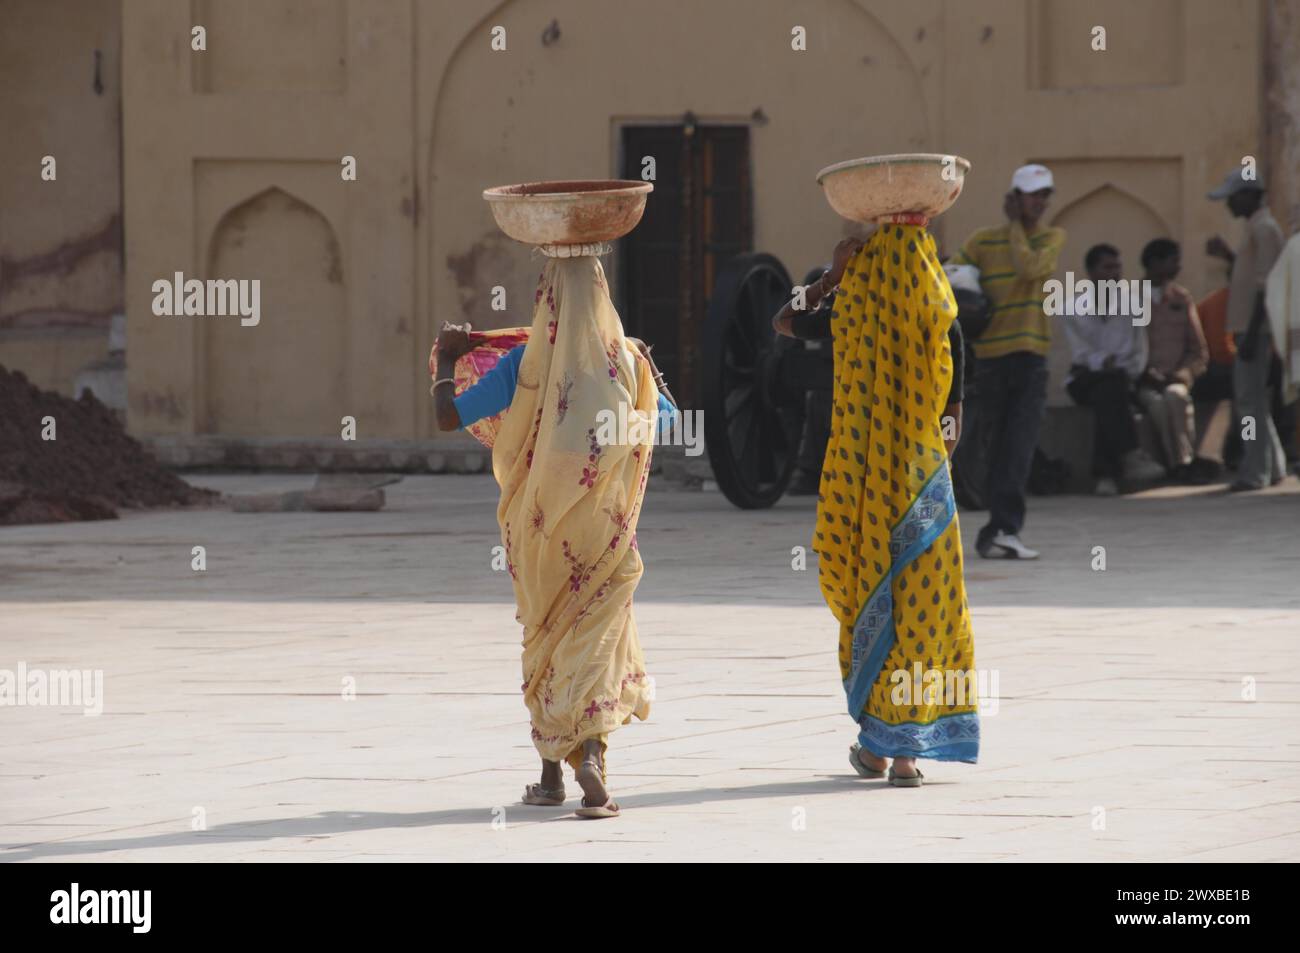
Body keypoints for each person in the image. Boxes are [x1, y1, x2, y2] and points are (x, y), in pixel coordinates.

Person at [432, 252, 675, 819]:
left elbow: (450, 416)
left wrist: (447, 360)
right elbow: (668, 422)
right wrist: (652, 377)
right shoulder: (628, 362)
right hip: (606, 530)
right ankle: (591, 756)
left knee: (544, 637)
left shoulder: (524, 363)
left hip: (538, 527)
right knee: (593, 638)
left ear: (546, 301)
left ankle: (549, 776)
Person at [810, 220, 980, 788]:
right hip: (924, 488)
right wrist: (933, 462)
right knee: (925, 612)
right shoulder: (941, 316)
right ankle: (903, 753)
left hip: (861, 489)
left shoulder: (853, 310)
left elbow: (786, 321)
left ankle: (879, 746)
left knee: (870, 597)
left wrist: (834, 275)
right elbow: (952, 417)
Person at [953, 164, 1065, 558]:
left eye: (1043, 196)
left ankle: (1003, 528)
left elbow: (1030, 267)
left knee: (1018, 449)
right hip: (991, 360)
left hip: (1030, 361)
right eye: (1031, 195)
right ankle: (991, 529)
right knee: (990, 446)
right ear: (1014, 197)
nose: (1039, 203)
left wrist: (1016, 227)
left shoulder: (1051, 237)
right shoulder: (982, 241)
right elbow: (954, 279)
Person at [774, 240, 967, 457]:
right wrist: (943, 461)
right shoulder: (947, 325)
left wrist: (829, 280)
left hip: (858, 463)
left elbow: (783, 320)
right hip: (916, 463)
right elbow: (951, 415)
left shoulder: (852, 317)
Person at [1206, 168, 1287, 490]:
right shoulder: (1255, 230)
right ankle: (1273, 466)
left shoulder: (1265, 229)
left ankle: (1254, 473)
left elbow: (1265, 286)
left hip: (1257, 330)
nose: (1228, 204)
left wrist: (1254, 333)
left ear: (1250, 196)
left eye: (1233, 197)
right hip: (1250, 330)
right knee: (1255, 402)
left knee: (1249, 405)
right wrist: (1228, 256)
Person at [1060, 244, 1163, 495]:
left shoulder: (1133, 305)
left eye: (1118, 267)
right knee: (1109, 385)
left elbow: (1139, 353)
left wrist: (1115, 367)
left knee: (1110, 390)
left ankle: (1105, 475)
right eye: (1107, 267)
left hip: (1122, 380)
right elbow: (1079, 354)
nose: (1114, 273)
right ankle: (1132, 454)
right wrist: (1104, 363)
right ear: (1091, 272)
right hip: (1083, 380)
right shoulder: (1072, 307)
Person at [1135, 239, 1208, 480]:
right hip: (1144, 381)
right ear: (1154, 263)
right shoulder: (1130, 299)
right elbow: (1125, 346)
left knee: (1175, 396)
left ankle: (1181, 464)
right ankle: (1178, 465)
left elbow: (1198, 351)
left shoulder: (1181, 298)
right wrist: (1143, 372)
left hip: (1176, 378)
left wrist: (1184, 373)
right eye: (1173, 261)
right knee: (1157, 404)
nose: (1178, 267)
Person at [1186, 285, 1236, 483]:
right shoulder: (1222, 301)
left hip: (1245, 370)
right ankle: (1245, 452)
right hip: (1225, 369)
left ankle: (1251, 452)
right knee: (1250, 412)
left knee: (1252, 414)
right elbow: (1218, 347)